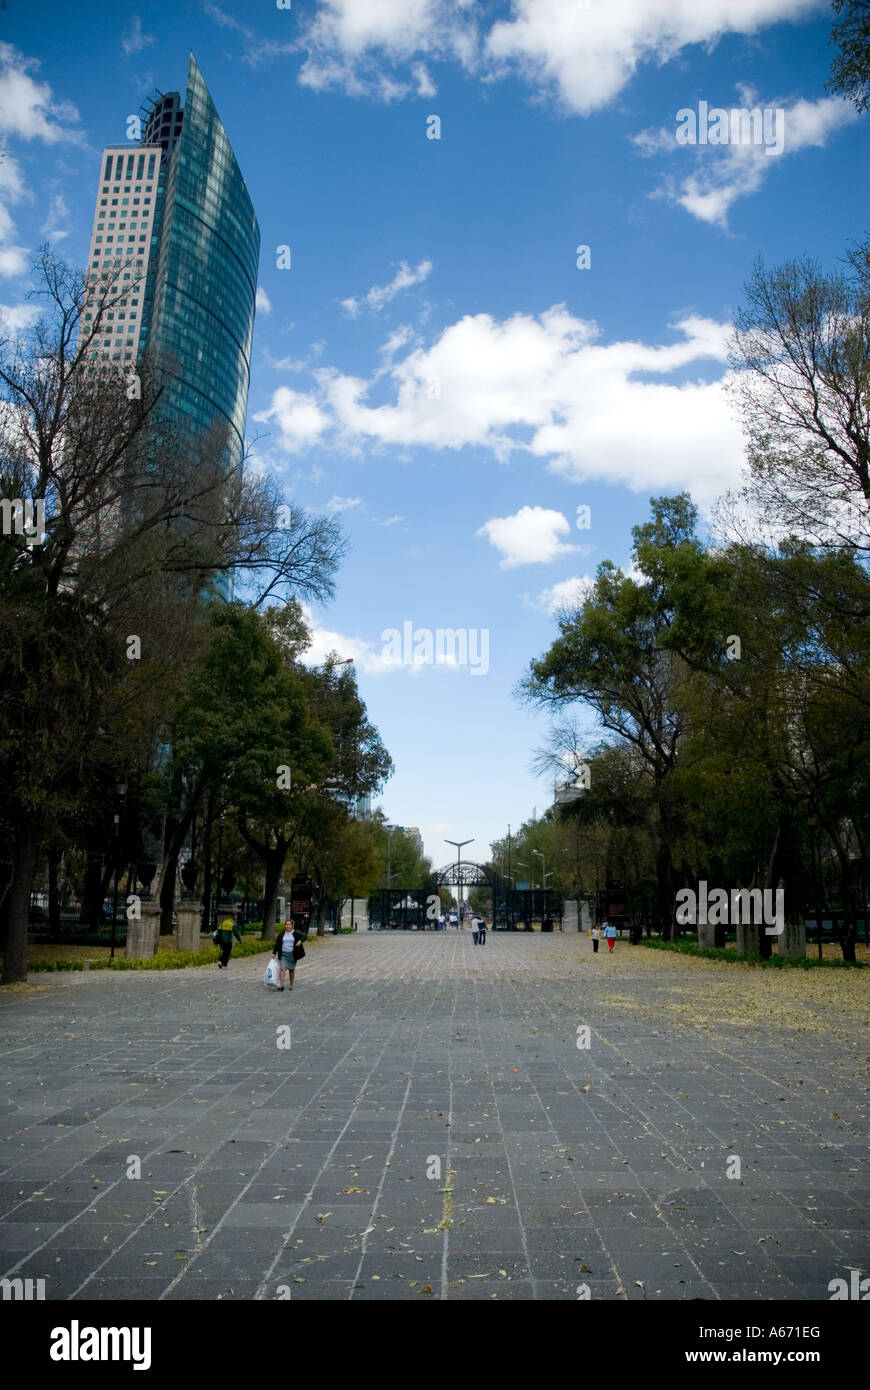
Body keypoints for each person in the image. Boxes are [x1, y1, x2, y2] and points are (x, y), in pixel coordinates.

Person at [272, 918, 297, 991]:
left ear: (292, 925)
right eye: (286, 924)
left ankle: (291, 983)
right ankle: (281, 985)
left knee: (291, 970)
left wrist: (300, 941)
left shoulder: (295, 933)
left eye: (289, 924)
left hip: (292, 954)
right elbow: (277, 943)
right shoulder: (282, 933)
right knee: (282, 969)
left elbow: (304, 936)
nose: (288, 926)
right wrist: (274, 952)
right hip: (283, 954)